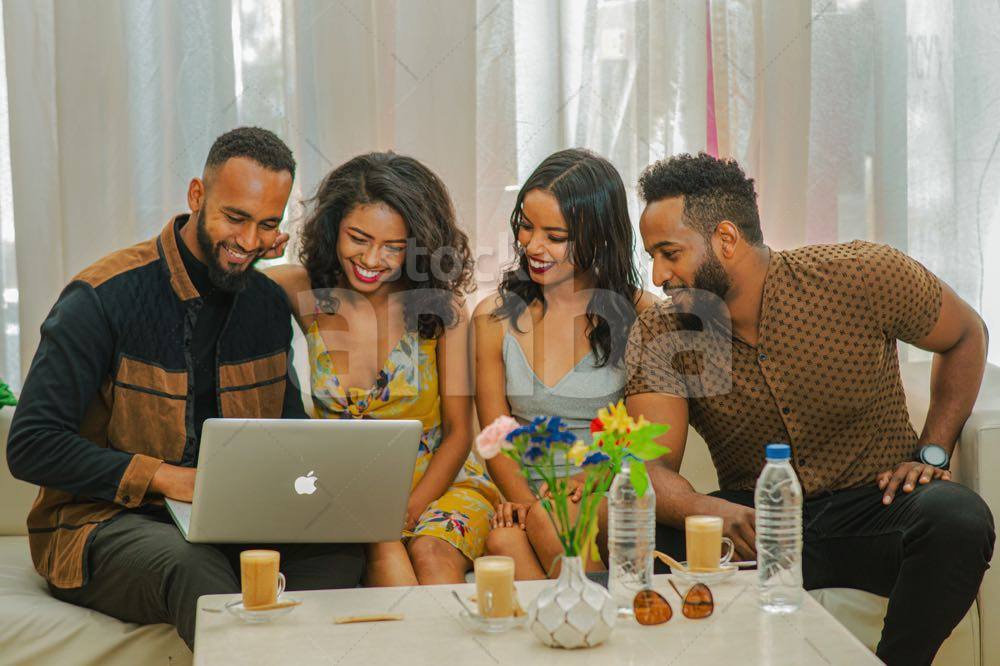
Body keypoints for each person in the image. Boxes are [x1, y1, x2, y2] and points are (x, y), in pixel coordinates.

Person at [624, 152, 994, 665]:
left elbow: (966, 335)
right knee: (631, 528)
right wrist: (706, 510)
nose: (659, 275)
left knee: (958, 518)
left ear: (725, 240)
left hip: (876, 509)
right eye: (653, 257)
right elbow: (649, 465)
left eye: (669, 253)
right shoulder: (663, 331)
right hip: (756, 526)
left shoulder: (862, 274)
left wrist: (932, 452)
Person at [6, 127, 365, 650]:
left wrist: (325, 481)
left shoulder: (265, 305)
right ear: (197, 196)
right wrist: (167, 479)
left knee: (340, 551)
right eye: (235, 218)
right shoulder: (103, 297)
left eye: (267, 225)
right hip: (101, 523)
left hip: (229, 517)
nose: (248, 242)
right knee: (193, 566)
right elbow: (31, 445)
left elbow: (288, 431)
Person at [267, 152, 499, 586]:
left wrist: (410, 509)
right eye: (359, 238)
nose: (373, 259)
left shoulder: (442, 309)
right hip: (347, 489)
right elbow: (221, 276)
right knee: (380, 544)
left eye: (393, 247)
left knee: (430, 554)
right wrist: (260, 238)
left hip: (439, 485)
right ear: (333, 227)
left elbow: (459, 433)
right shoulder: (302, 290)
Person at [473, 148, 656, 579]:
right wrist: (526, 502)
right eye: (525, 227)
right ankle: (583, 625)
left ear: (600, 238)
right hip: (532, 493)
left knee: (555, 514)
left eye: (555, 237)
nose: (533, 246)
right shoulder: (492, 317)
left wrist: (592, 478)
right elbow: (494, 433)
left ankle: (587, 614)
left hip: (607, 489)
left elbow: (645, 434)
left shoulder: (643, 313)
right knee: (503, 540)